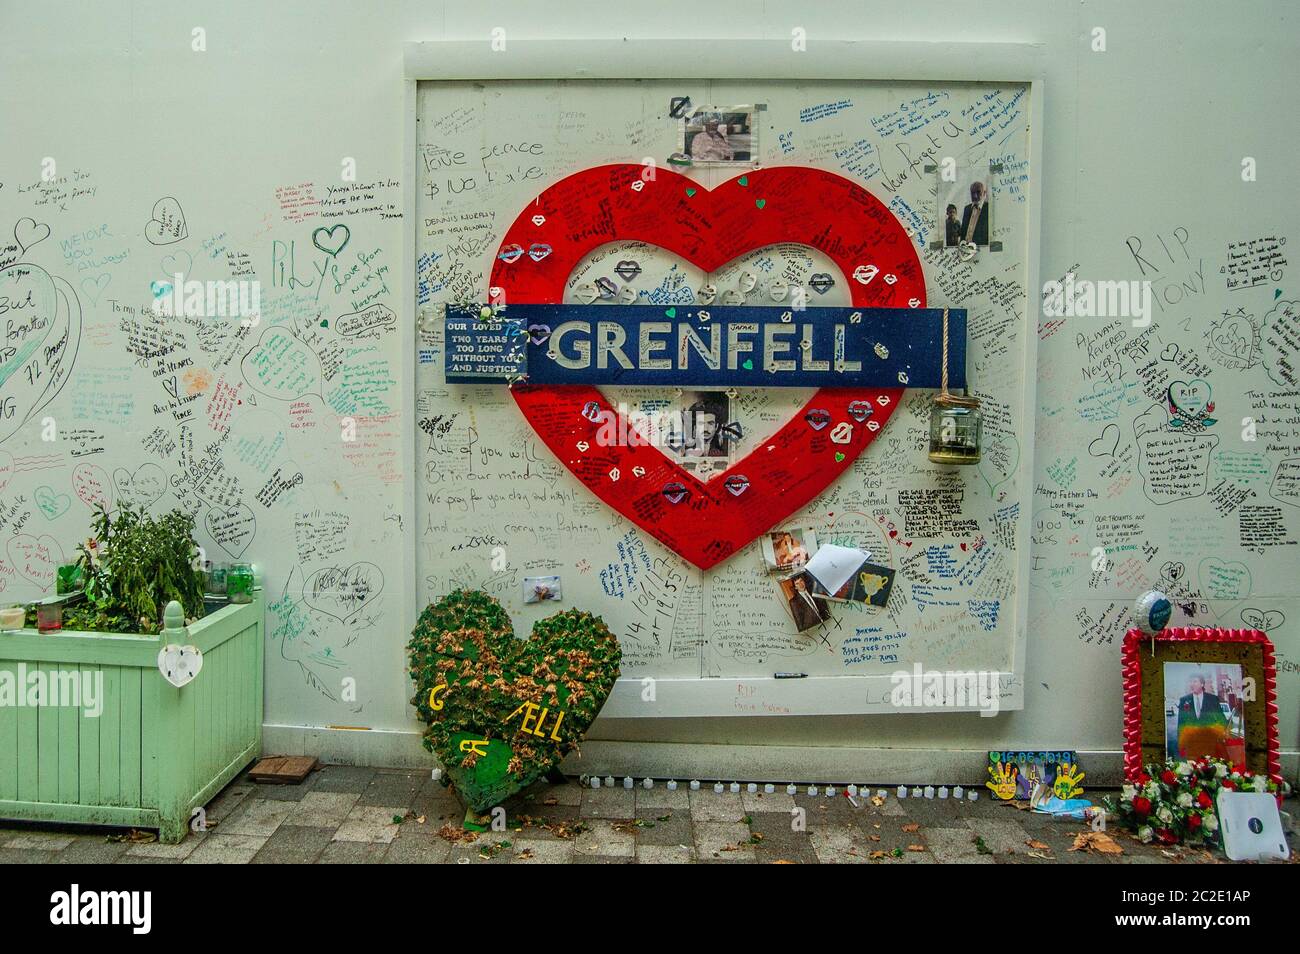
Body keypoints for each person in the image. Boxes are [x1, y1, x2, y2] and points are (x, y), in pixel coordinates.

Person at [1175, 673, 1230, 759]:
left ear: (1202, 684)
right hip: (1192, 746)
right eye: (1190, 682)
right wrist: (1180, 744)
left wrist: (1220, 735)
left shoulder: (1212, 699)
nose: (1192, 684)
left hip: (1210, 744)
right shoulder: (1184, 700)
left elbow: (1222, 719)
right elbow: (1181, 723)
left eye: (1195, 681)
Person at [960, 181, 989, 246]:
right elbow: (963, 232)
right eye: (972, 193)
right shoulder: (967, 209)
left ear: (984, 193)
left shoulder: (988, 208)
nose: (975, 196)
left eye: (978, 192)